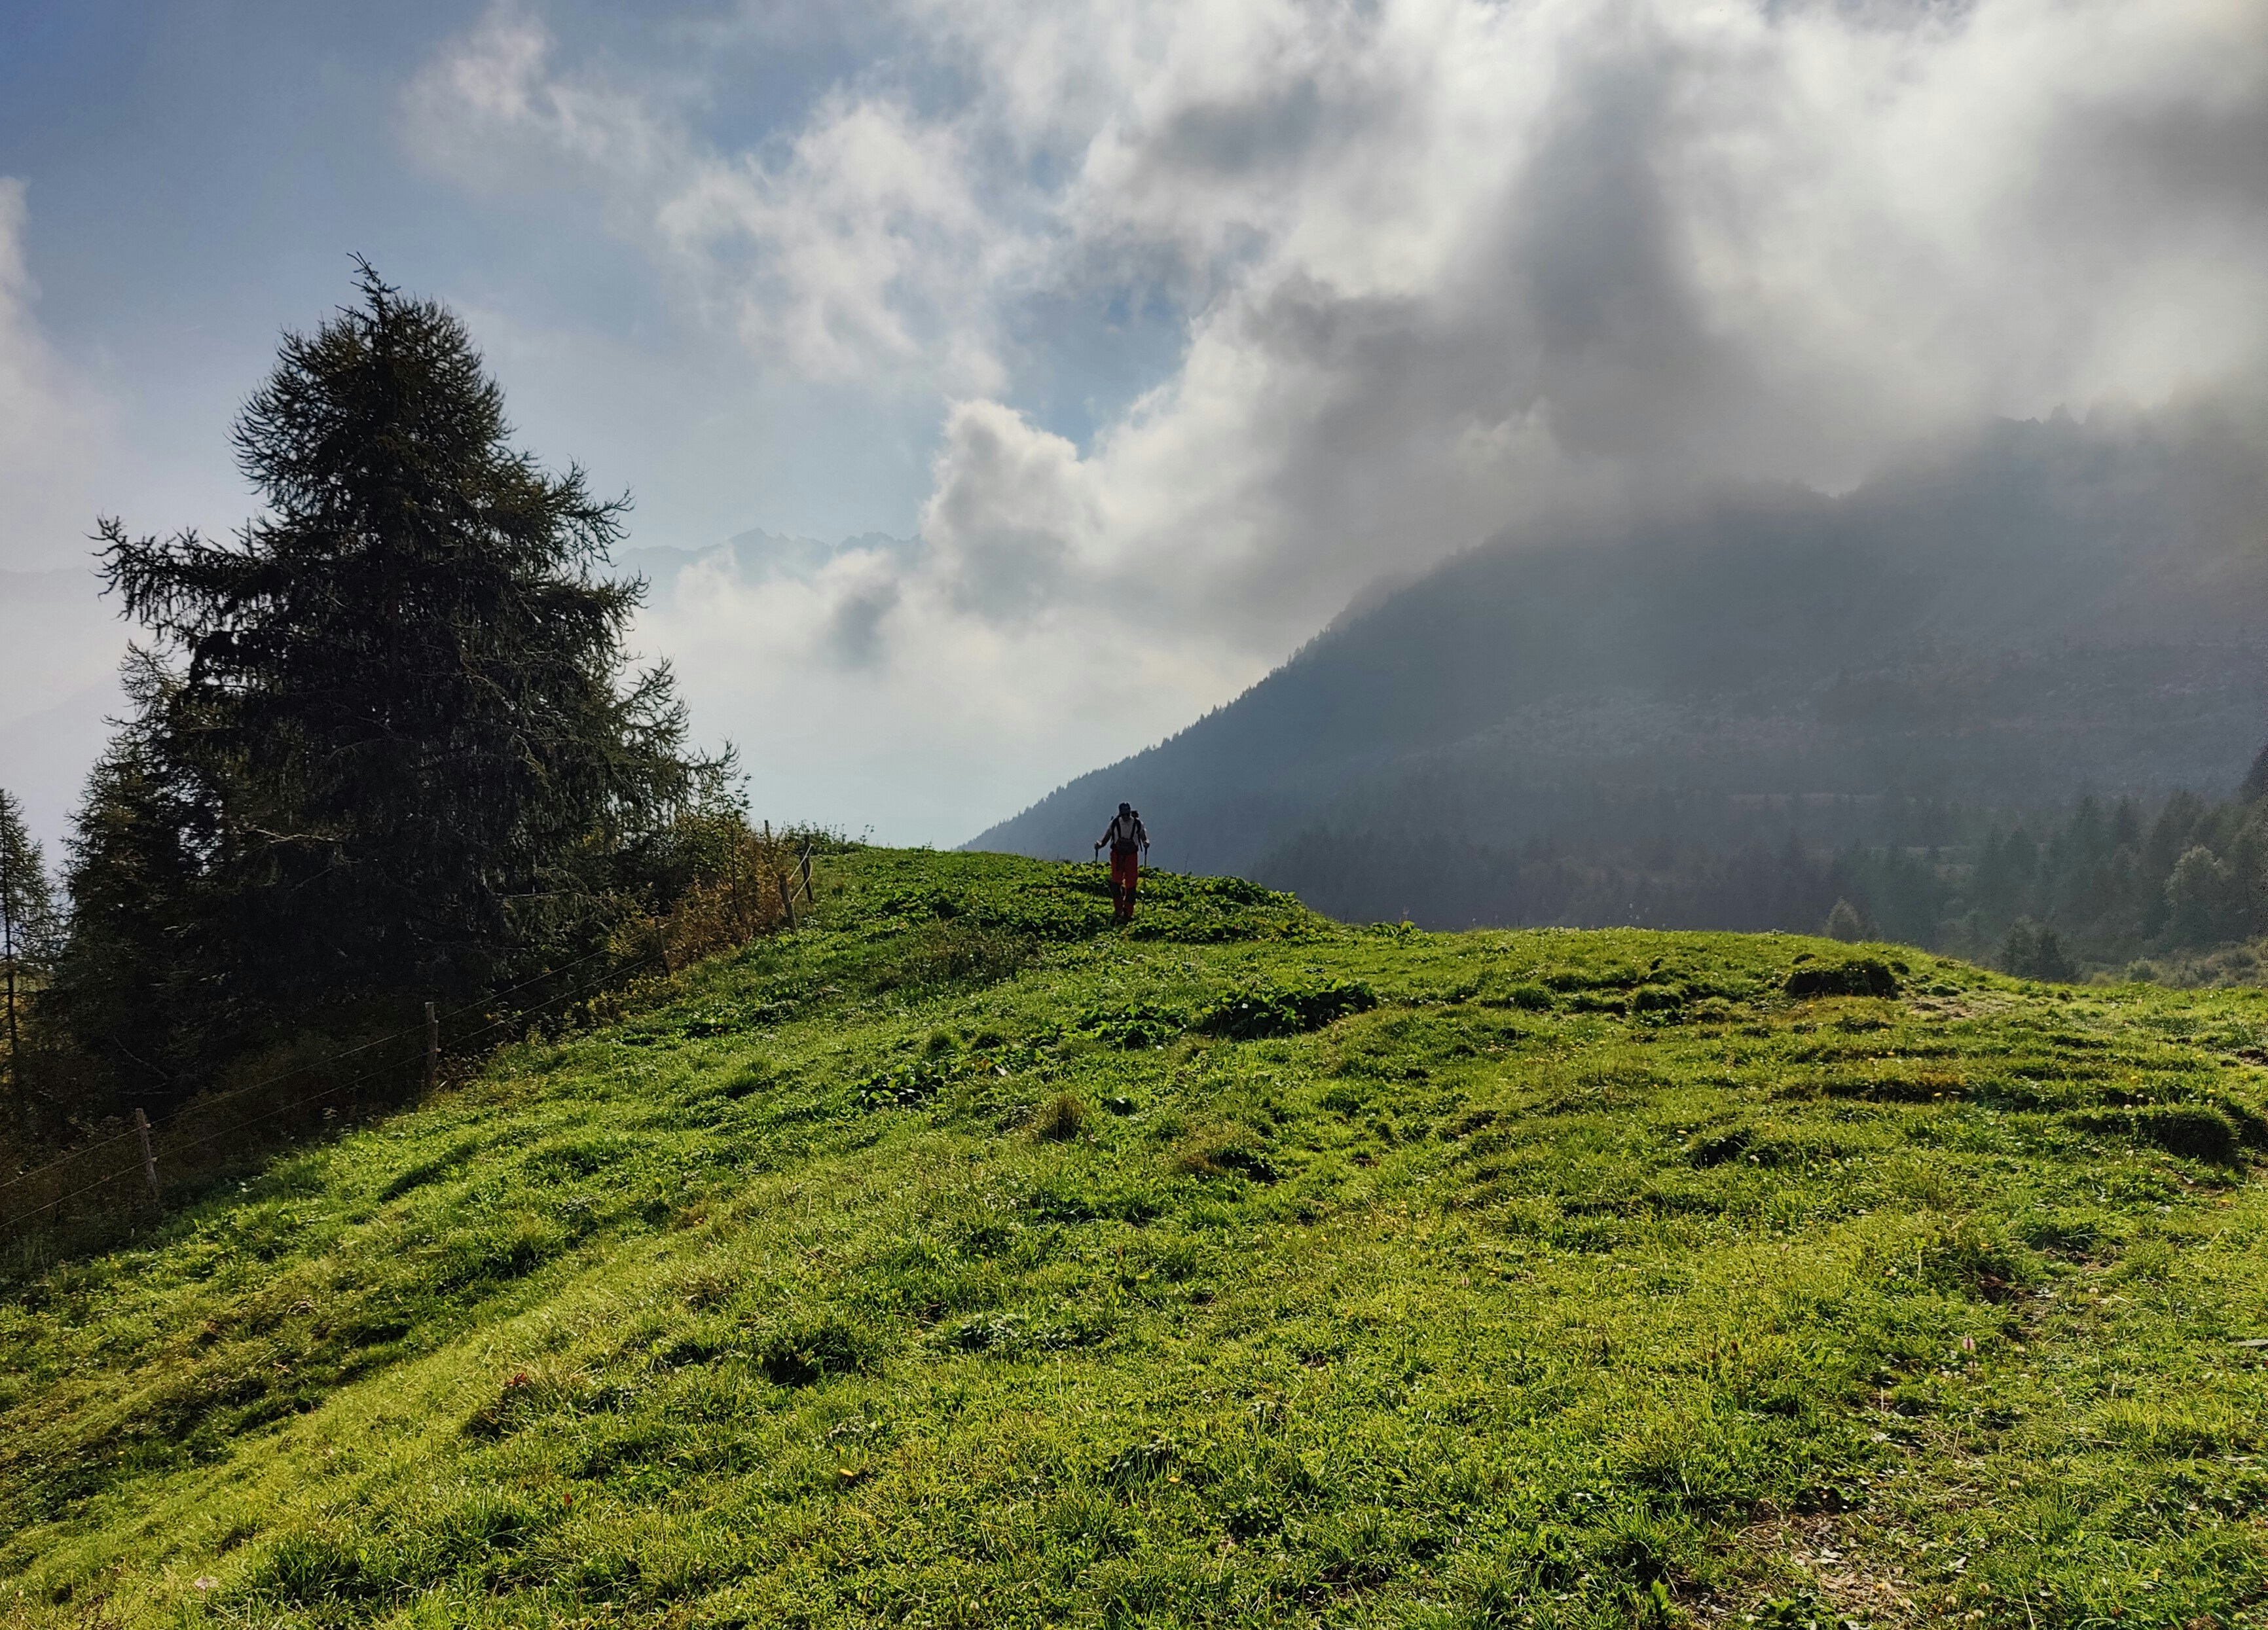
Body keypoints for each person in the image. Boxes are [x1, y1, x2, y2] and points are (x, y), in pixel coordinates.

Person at [1094, 802, 1150, 921]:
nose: (1125, 817)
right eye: (1123, 814)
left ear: (1130, 813)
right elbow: (1106, 838)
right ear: (1120, 813)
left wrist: (1146, 842)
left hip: (1131, 857)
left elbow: (1143, 836)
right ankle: (1119, 911)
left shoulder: (1138, 824)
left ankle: (1128, 912)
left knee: (1131, 885)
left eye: (1127, 814)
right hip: (1117, 856)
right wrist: (1100, 844)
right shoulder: (1114, 823)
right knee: (1116, 883)